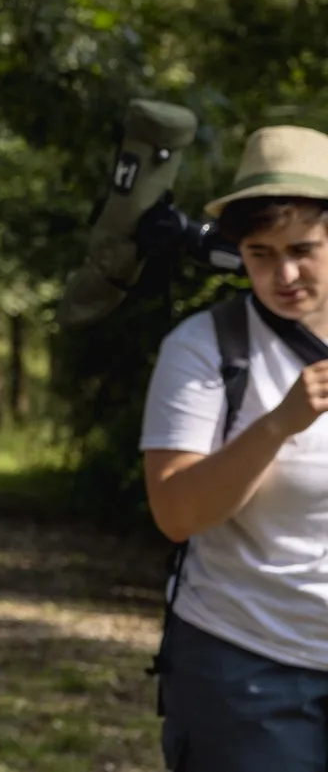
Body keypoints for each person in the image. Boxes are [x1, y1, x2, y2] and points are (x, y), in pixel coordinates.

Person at [141, 126, 328, 772]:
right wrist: (279, 422)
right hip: (246, 667)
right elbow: (176, 510)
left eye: (304, 249)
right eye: (260, 252)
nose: (285, 274)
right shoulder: (204, 347)